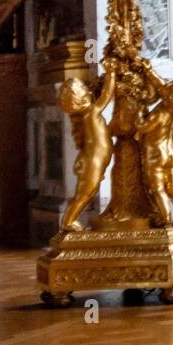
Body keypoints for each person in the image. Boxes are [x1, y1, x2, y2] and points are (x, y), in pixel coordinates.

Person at [135, 64, 173, 226]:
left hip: (157, 153)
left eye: (171, 86)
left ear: (171, 96)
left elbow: (143, 127)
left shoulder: (161, 111)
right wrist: (148, 69)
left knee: (158, 188)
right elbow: (161, 85)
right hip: (172, 153)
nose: (166, 86)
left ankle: (165, 217)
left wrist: (139, 112)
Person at [57, 65, 117, 231]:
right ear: (83, 99)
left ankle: (69, 220)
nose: (88, 91)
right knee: (84, 194)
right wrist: (111, 74)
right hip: (93, 162)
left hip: (92, 160)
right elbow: (106, 95)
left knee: (86, 193)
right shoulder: (92, 113)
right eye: (84, 89)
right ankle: (68, 221)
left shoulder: (87, 117)